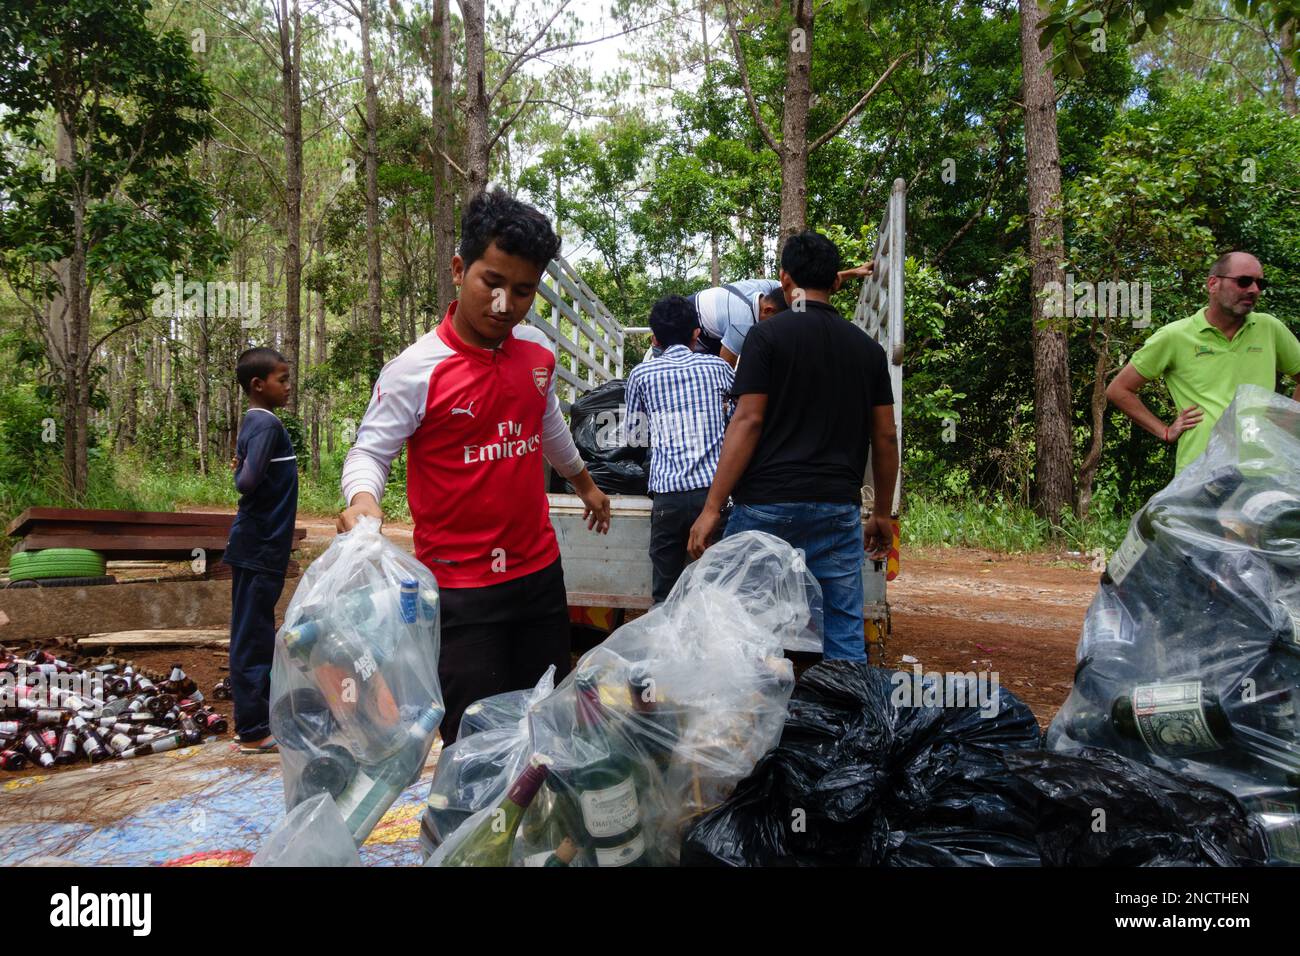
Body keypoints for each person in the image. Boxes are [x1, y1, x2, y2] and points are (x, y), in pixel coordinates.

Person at [337, 188, 611, 744]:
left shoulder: (536, 358)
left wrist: (585, 484)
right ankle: (473, 831)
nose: (505, 304)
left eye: (524, 290)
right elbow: (369, 451)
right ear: (460, 269)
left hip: (538, 577)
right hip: (460, 591)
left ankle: (538, 827)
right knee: (475, 742)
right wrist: (363, 500)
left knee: (546, 725)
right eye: (493, 282)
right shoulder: (415, 370)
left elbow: (547, 423)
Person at [687, 231, 898, 662]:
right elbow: (885, 436)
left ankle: (744, 722)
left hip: (767, 504)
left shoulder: (767, 338)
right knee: (842, 631)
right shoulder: (868, 350)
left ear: (784, 279)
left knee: (738, 624)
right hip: (837, 508)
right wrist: (880, 514)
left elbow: (747, 421)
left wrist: (711, 508)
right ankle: (846, 720)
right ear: (836, 283)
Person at [1107, 251, 1300, 474]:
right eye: (1244, 281)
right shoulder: (1175, 336)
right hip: (1200, 474)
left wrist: (1287, 424)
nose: (1254, 289)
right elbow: (1119, 390)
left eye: (1260, 283)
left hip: (1261, 469)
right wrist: (1165, 431)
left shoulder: (1269, 328)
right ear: (1213, 284)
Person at [624, 294, 735, 604]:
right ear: (696, 333)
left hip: (667, 499)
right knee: (717, 593)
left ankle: (665, 650)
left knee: (665, 595)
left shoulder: (641, 375)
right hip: (713, 498)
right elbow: (741, 418)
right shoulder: (717, 367)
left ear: (655, 338)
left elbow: (634, 435)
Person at [224, 347, 298, 754]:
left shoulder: (257, 421)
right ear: (258, 385)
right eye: (282, 380)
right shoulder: (267, 425)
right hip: (259, 546)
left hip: (260, 546)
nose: (288, 387)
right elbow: (247, 482)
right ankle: (252, 729)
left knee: (255, 631)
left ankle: (258, 720)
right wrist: (241, 468)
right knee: (252, 635)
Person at [692, 262, 874, 367]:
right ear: (768, 310)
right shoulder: (741, 324)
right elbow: (725, 370)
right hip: (688, 327)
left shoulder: (767, 289)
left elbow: (810, 287)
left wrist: (854, 272)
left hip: (709, 320)